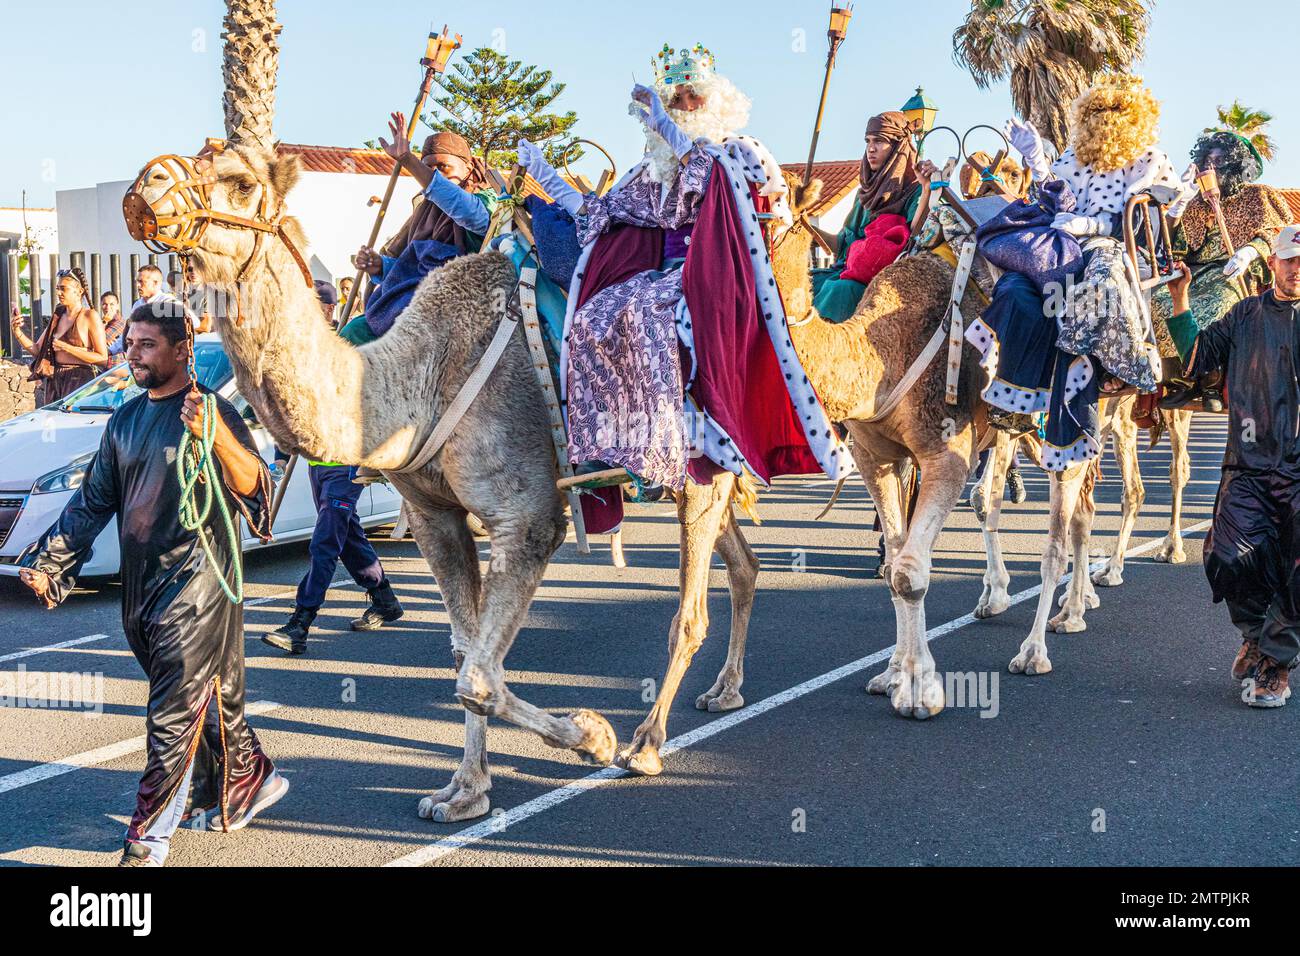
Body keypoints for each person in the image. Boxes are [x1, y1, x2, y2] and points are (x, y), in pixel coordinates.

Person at [17, 298, 287, 864]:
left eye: (146, 345)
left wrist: (216, 437)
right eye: (130, 343)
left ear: (181, 349)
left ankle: (147, 839)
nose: (131, 354)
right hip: (143, 588)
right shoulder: (125, 419)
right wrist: (52, 561)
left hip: (200, 584)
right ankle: (250, 775)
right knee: (208, 699)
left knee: (171, 711)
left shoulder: (213, 411)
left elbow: (258, 490)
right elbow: (93, 502)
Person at [968, 75, 1186, 469]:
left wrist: (1094, 227)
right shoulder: (1072, 157)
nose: (1105, 120)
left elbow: (1147, 223)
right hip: (1060, 244)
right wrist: (1037, 161)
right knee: (1015, 287)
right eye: (1096, 112)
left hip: (1113, 247)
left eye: (1115, 112)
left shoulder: (1150, 160)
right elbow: (1054, 201)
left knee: (1096, 285)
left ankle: (1102, 366)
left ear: (1135, 118)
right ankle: (1016, 395)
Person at [1184, 225, 1300, 708]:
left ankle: (1275, 664)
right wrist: (1180, 298)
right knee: (1227, 557)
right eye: (1290, 260)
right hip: (1246, 466)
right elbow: (1195, 359)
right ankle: (1255, 635)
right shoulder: (1244, 314)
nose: (1297, 270)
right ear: (1272, 262)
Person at [264, 284, 405, 654]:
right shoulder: (304, 349)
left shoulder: (357, 334)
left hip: (348, 459)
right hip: (318, 461)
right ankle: (385, 600)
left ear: (329, 309)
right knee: (350, 538)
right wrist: (281, 451)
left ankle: (300, 623)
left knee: (324, 542)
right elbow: (295, 403)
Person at [1156, 130, 1294, 411]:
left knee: (1220, 302)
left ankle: (1212, 382)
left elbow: (1275, 235)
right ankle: (1181, 381)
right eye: (1206, 161)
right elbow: (1175, 246)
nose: (1210, 168)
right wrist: (1180, 204)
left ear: (1235, 165)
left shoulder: (1259, 196)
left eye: (1217, 162)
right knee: (1159, 302)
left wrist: (1249, 252)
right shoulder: (1196, 203)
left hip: (1236, 272)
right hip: (1196, 273)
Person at [338, 117, 499, 346]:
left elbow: (472, 215)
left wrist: (409, 161)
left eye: (443, 167)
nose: (434, 174)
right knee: (355, 332)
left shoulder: (486, 200)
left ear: (469, 168)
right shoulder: (423, 212)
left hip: (463, 305)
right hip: (414, 301)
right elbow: (414, 269)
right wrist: (380, 266)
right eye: (428, 167)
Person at [810, 111, 932, 322]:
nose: (871, 148)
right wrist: (804, 228)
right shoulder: (864, 194)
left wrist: (928, 188)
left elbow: (915, 236)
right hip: (846, 271)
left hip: (881, 279)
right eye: (868, 141)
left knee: (841, 291)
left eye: (879, 141)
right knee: (802, 283)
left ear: (897, 147)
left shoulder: (914, 191)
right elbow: (842, 246)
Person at [9, 266, 107, 403]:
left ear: (79, 291)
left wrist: (68, 348)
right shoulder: (58, 314)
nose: (58, 292)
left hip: (78, 380)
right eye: (57, 288)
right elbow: (37, 350)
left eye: (63, 288)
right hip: (54, 380)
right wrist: (17, 331)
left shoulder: (89, 316)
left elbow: (102, 358)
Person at [108, 264, 172, 361]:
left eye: (142, 282)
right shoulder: (138, 305)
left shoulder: (168, 302)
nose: (138, 285)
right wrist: (110, 350)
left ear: (156, 283)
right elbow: (130, 333)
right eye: (137, 281)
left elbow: (193, 323)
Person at [100, 291, 127, 363]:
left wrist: (104, 321)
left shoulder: (120, 322)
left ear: (117, 306)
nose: (108, 307)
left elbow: (100, 340)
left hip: (116, 363)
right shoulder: (102, 321)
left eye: (111, 304)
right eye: (104, 304)